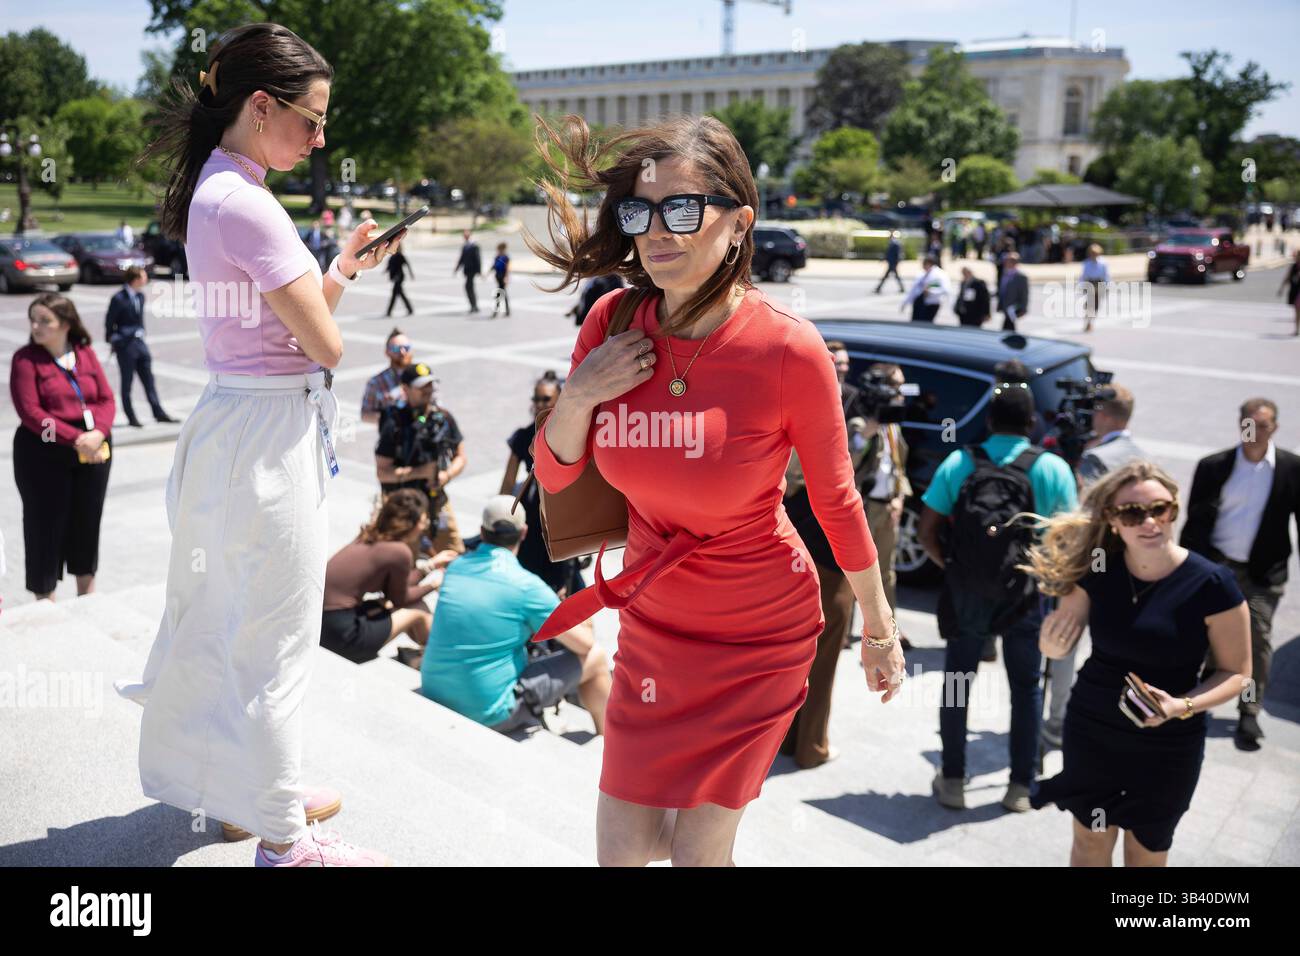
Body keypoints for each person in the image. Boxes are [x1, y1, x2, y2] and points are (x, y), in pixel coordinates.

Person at [522, 113, 902, 866]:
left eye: (684, 211)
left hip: (759, 636)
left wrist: (879, 628)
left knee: (699, 850)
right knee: (623, 853)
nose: (657, 232)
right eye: (641, 211)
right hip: (654, 623)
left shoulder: (788, 348)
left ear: (739, 223)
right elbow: (554, 473)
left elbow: (836, 500)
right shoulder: (612, 322)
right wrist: (579, 395)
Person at [115, 22, 404, 867]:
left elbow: (294, 329)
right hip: (267, 436)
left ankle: (253, 791)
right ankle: (285, 837)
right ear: (260, 106)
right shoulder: (250, 204)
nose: (322, 138)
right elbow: (324, 346)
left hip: (240, 423)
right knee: (276, 634)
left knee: (236, 622)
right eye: (311, 121)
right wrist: (338, 284)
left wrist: (341, 266)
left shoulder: (219, 187)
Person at [1027, 461, 1250, 865]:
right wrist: (1052, 646)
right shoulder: (1098, 567)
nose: (1148, 522)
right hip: (1093, 729)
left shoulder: (1214, 585)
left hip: (1168, 744)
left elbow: (1238, 673)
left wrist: (1180, 706)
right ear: (1112, 520)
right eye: (1132, 513)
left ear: (1174, 509)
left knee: (1146, 852)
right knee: (1089, 843)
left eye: (1159, 509)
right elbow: (1063, 637)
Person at [918, 371, 1078, 812]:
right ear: (1032, 424)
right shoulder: (1052, 468)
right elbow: (1070, 542)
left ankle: (952, 781)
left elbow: (926, 528)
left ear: (989, 420)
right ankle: (1020, 787)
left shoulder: (959, 462)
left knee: (956, 683)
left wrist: (952, 566)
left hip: (966, 592)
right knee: (1026, 689)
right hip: (1026, 596)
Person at [420, 496, 612, 734]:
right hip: (488, 710)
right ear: (523, 532)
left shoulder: (456, 567)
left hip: (433, 688)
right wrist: (583, 616)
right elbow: (584, 646)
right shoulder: (527, 586)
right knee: (597, 656)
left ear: (482, 530)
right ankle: (606, 740)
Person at [1181, 398, 1300, 751]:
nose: (1254, 432)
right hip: (1218, 568)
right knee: (1206, 636)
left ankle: (1249, 709)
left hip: (1264, 573)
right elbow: (1194, 522)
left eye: (1262, 425)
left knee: (1258, 638)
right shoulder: (1214, 466)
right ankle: (1201, 697)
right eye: (1248, 424)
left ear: (1274, 428)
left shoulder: (1291, 469)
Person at [1044, 383, 1149, 748]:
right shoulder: (1142, 456)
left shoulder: (1096, 458)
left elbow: (1079, 518)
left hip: (1090, 567)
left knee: (1064, 646)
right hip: (1130, 569)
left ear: (1103, 414)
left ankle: (1056, 722)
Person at [11, 294, 115, 600]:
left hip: (94, 450)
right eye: (33, 319)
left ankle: (87, 595)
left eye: (45, 320)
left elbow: (106, 399)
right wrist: (76, 438)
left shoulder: (85, 353)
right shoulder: (26, 360)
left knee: (87, 521)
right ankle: (46, 601)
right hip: (43, 454)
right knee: (44, 526)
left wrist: (99, 432)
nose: (36, 326)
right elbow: (31, 412)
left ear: (66, 324)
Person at [321, 488, 457, 665]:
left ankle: (428, 655)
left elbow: (397, 590)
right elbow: (402, 599)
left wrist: (430, 566)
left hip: (321, 624)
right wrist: (434, 584)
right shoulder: (399, 551)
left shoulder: (368, 536)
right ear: (412, 524)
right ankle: (441, 662)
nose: (425, 525)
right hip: (344, 635)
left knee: (392, 604)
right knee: (419, 610)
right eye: (423, 520)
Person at [499, 370, 587, 596]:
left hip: (563, 516)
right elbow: (508, 483)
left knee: (570, 590)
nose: (539, 404)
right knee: (531, 583)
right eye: (536, 399)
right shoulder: (524, 435)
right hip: (533, 517)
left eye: (545, 399)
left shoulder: (574, 432)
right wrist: (503, 520)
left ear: (559, 398)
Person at [375, 361, 468, 554]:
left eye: (430, 384)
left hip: (437, 502)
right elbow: (383, 473)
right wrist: (419, 473)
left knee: (454, 554)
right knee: (403, 560)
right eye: (421, 386)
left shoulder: (443, 418)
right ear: (405, 389)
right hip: (403, 506)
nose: (427, 390)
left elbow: (461, 456)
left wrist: (446, 475)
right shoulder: (394, 423)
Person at [105, 266, 176, 427]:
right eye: (143, 277)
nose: (146, 279)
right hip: (126, 346)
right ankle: (131, 417)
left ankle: (158, 413)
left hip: (140, 343)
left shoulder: (141, 296)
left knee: (149, 380)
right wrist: (115, 341)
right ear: (136, 279)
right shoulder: (119, 298)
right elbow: (109, 323)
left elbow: (139, 320)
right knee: (127, 383)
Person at [360, 327, 413, 425]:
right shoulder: (376, 382)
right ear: (387, 352)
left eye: (406, 348)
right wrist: (389, 417)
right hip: (392, 438)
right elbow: (365, 415)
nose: (402, 352)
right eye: (396, 349)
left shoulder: (422, 377)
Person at [900, 254, 951, 323]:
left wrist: (930, 291)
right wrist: (905, 302)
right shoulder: (921, 274)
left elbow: (945, 289)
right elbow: (913, 290)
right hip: (919, 302)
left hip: (931, 303)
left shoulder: (939, 275)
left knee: (926, 324)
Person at [1078, 243, 1110, 333]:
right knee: (1089, 305)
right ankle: (1087, 321)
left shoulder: (1103, 263)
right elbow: (1083, 276)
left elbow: (1106, 276)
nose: (1094, 255)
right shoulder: (1086, 263)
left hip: (1099, 284)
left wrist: (1107, 286)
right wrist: (1081, 285)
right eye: (1092, 253)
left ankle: (1090, 322)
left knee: (1095, 306)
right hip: (1090, 284)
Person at [997, 251, 1029, 331]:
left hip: (1013, 307)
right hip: (1004, 305)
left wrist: (1023, 308)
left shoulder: (1021, 277)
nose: (1005, 263)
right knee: (1008, 326)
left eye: (1008, 261)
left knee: (1009, 327)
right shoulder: (1004, 273)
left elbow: (1024, 294)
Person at [453, 228, 481, 313]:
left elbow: (478, 259)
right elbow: (462, 258)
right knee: (469, 287)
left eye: (466, 235)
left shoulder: (474, 245)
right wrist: (457, 268)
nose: (464, 236)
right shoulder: (465, 246)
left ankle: (474, 305)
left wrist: (479, 271)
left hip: (472, 270)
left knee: (469, 287)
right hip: (467, 270)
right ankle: (474, 305)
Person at [384, 239, 414, 317]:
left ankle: (389, 311)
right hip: (395, 277)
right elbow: (390, 265)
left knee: (395, 295)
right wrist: (386, 270)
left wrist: (411, 274)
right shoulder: (393, 256)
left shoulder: (400, 256)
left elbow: (407, 265)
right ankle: (409, 309)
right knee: (400, 294)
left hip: (399, 277)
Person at [1278, 249, 1300, 337]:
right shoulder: (1294, 266)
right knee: (1297, 310)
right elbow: (1287, 277)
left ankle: (1297, 330)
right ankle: (1297, 329)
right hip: (1295, 290)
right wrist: (1281, 288)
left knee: (1298, 309)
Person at [490, 241, 511, 317]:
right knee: (503, 294)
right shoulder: (497, 257)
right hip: (498, 277)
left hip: (503, 277)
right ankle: (507, 311)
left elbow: (507, 268)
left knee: (499, 294)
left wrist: (506, 277)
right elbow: (493, 266)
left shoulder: (506, 257)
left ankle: (496, 311)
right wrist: (487, 273)